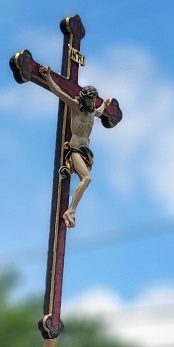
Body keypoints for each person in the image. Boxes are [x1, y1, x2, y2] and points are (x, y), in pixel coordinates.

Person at [36, 64, 115, 227]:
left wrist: (105, 105)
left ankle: (71, 210)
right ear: (84, 99)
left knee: (84, 180)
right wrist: (49, 77)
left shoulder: (93, 112)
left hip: (86, 152)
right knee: (86, 179)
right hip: (74, 149)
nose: (93, 102)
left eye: (94, 99)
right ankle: (70, 211)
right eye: (90, 99)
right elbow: (58, 92)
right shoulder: (75, 107)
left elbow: (100, 111)